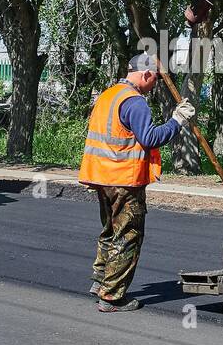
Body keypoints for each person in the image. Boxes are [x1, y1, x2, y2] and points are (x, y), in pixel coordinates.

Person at [79, 52, 196, 312]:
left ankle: (100, 281)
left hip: (102, 177)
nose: (155, 85)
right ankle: (111, 297)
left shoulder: (108, 96)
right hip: (124, 181)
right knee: (128, 235)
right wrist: (178, 121)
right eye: (154, 79)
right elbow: (151, 138)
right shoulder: (135, 102)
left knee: (109, 230)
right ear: (145, 75)